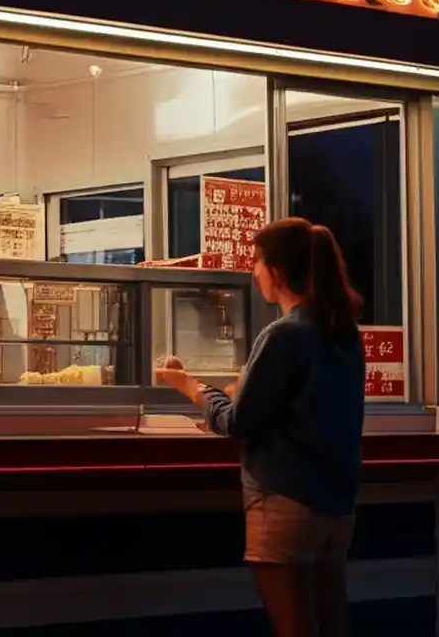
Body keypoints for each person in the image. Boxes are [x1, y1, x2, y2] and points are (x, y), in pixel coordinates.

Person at [155, 217, 365, 637]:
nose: (253, 271)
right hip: (336, 508)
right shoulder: (343, 334)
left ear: (279, 272)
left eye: (258, 261)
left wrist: (189, 386)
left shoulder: (284, 335)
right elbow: (303, 405)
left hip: (285, 504)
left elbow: (237, 422)